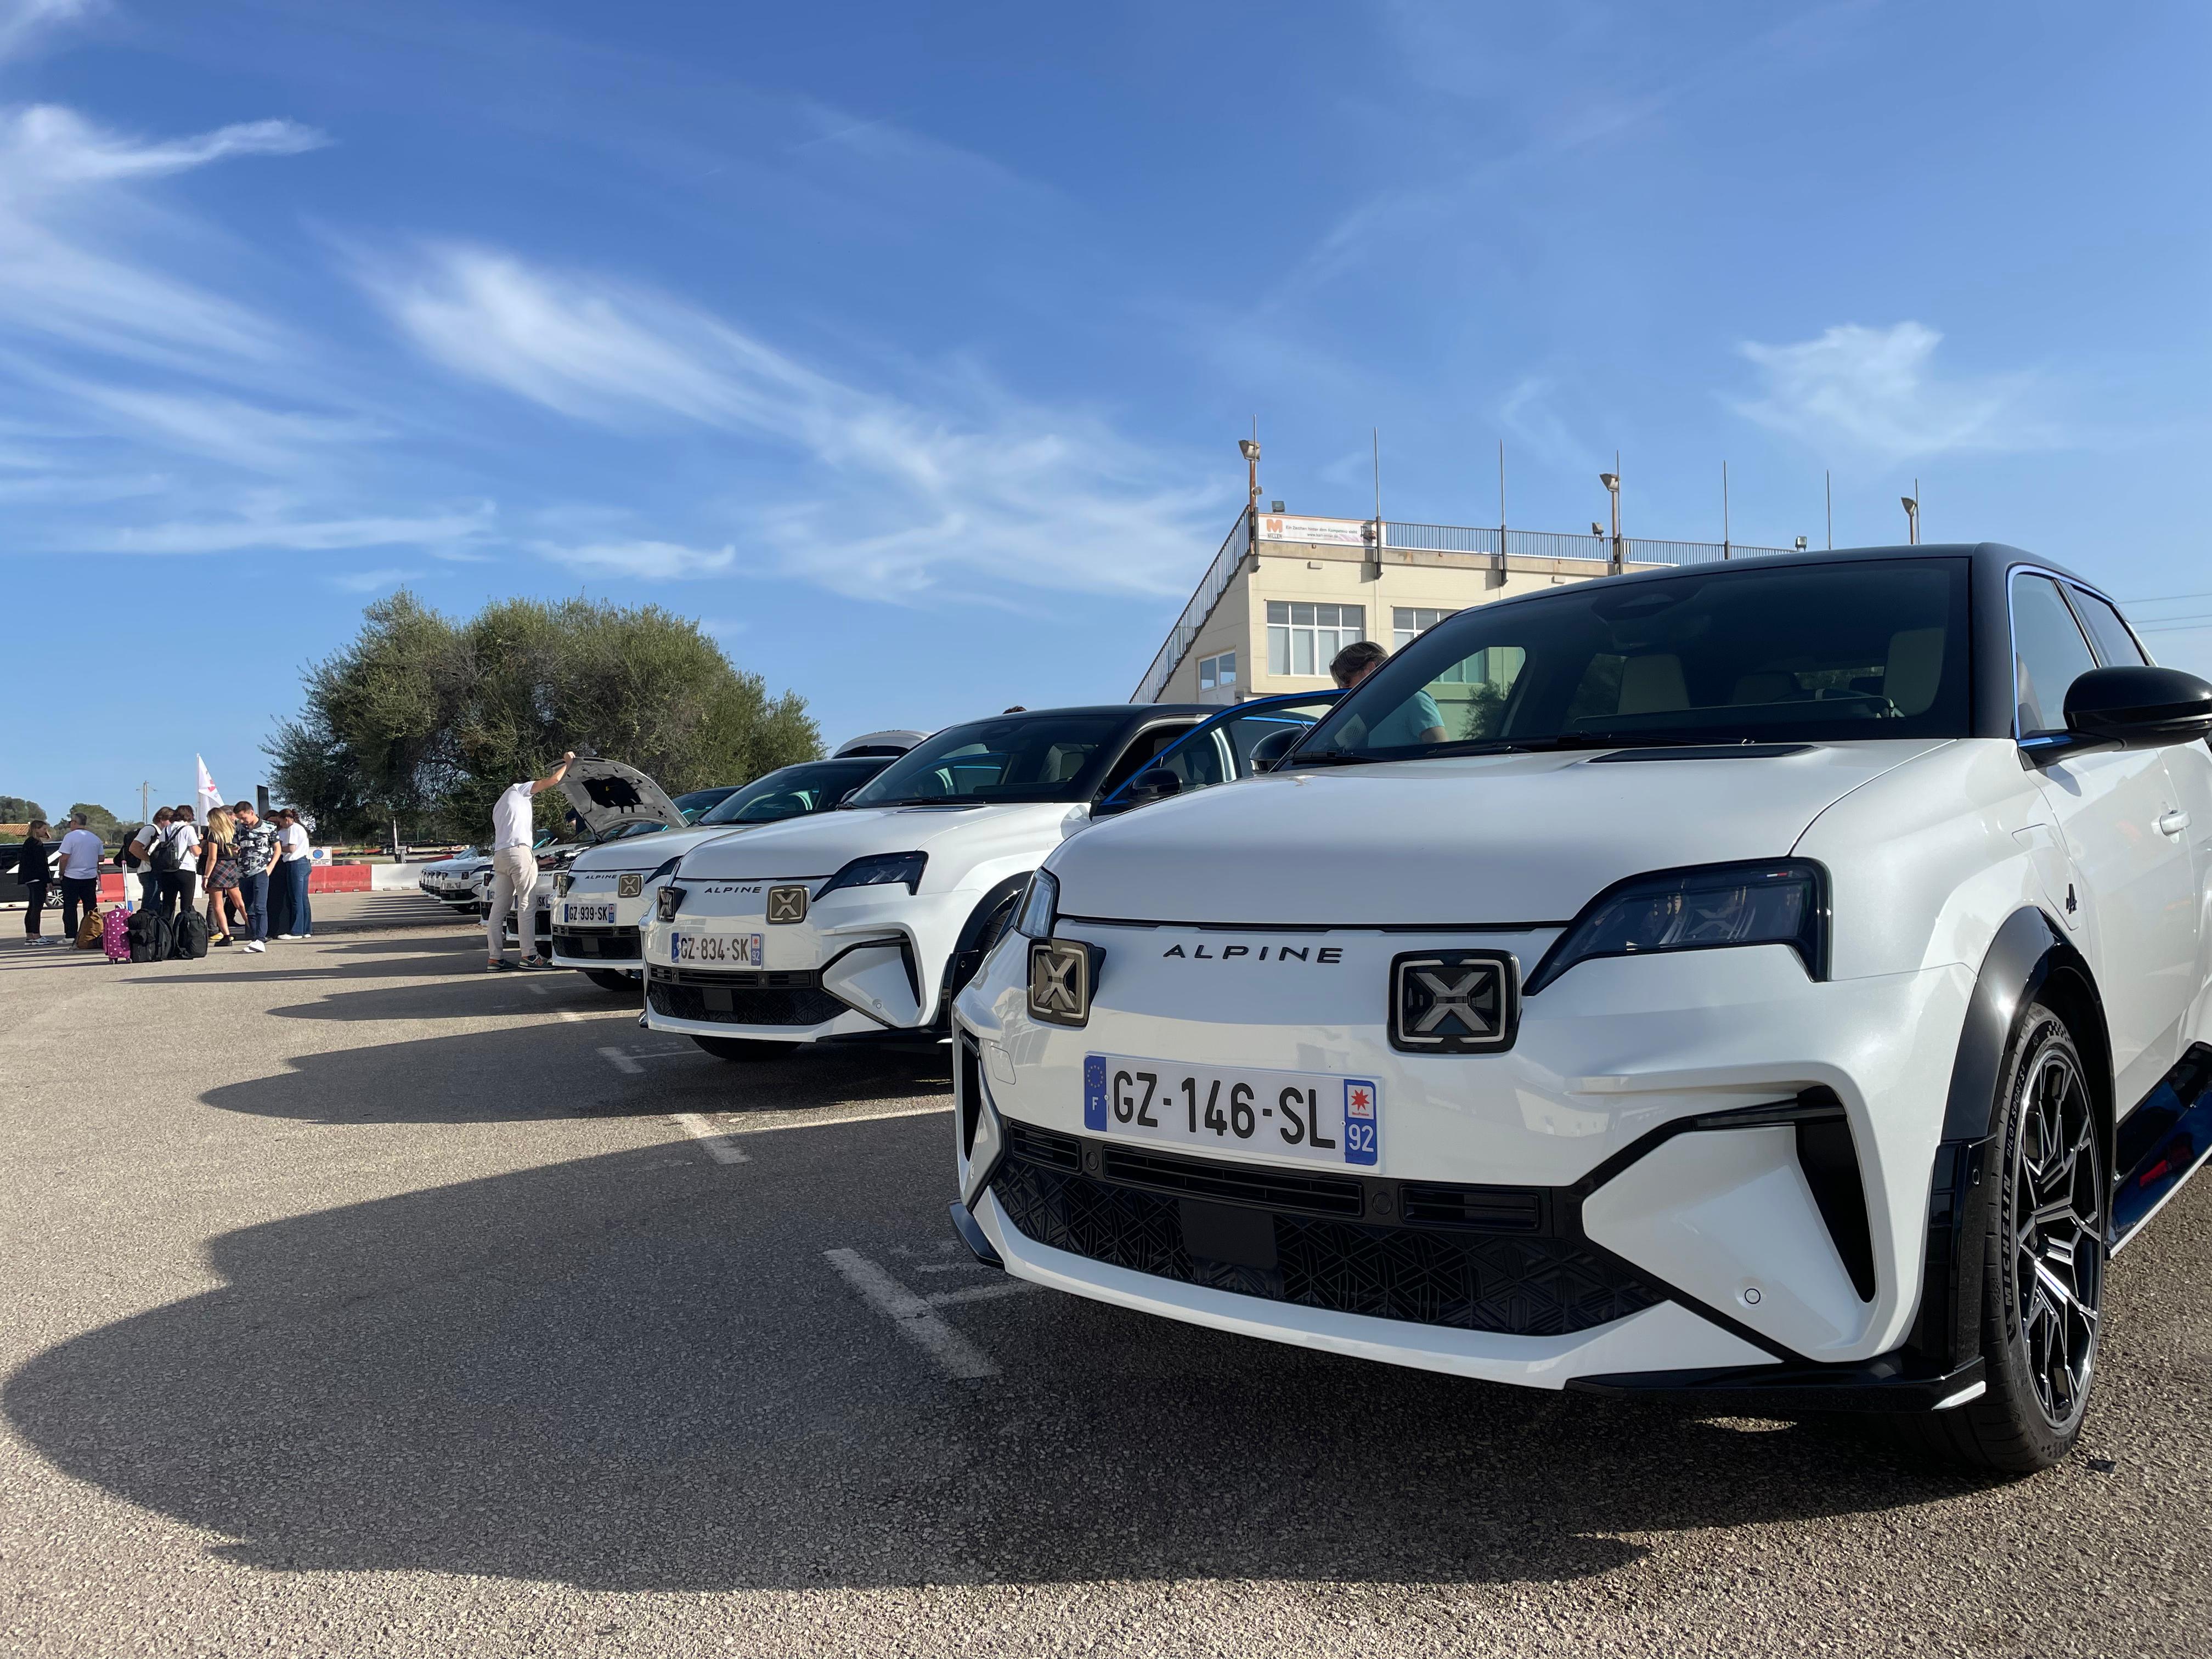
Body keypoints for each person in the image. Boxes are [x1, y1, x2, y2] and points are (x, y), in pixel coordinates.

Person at [486, 752, 573, 971]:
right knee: (526, 904)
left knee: (499, 909)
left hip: (501, 856)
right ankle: (530, 956)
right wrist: (569, 763)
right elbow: (553, 781)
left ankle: (495, 958)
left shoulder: (499, 805)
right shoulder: (520, 789)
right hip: (519, 853)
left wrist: (534, 861)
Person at [1330, 640, 1448, 746]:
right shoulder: (1364, 712)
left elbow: (1440, 752)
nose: (1343, 689)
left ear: (1370, 670)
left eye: (1347, 681)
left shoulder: (1414, 701)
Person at [230, 802, 276, 954]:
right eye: (240, 819)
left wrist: (270, 867)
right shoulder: (239, 828)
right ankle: (255, 938)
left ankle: (261, 938)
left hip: (261, 869)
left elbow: (278, 848)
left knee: (260, 905)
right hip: (243, 871)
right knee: (248, 906)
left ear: (251, 812)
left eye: (244, 818)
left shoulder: (269, 827)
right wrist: (235, 850)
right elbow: (236, 845)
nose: (242, 821)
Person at [54, 812, 105, 941]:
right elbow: (101, 858)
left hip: (72, 876)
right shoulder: (95, 838)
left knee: (70, 907)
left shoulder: (70, 837)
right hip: (89, 877)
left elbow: (64, 857)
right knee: (90, 906)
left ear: (74, 823)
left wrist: (61, 872)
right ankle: (91, 933)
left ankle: (71, 935)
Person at [200, 808, 244, 946]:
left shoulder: (214, 834)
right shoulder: (234, 831)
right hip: (232, 867)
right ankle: (254, 928)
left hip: (218, 868)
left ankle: (227, 935)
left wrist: (206, 876)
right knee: (239, 902)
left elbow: (212, 858)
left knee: (218, 904)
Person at [154, 804, 200, 926]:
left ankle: (166, 934)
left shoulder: (167, 829)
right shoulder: (188, 829)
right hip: (185, 870)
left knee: (168, 904)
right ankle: (184, 932)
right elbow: (196, 852)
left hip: (168, 871)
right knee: (186, 905)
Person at [273, 809, 313, 940]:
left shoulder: (293, 829)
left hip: (296, 863)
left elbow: (291, 848)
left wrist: (277, 848)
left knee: (296, 899)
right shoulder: (299, 828)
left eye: (281, 822)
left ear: (287, 819)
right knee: (302, 899)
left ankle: (297, 931)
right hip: (303, 863)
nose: (281, 825)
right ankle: (306, 929)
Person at [14, 820, 53, 945]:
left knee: (32, 907)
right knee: (37, 907)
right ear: (36, 829)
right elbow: (42, 865)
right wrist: (48, 881)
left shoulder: (28, 843)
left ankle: (30, 936)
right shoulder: (36, 844)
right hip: (37, 879)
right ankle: (37, 936)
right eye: (43, 829)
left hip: (29, 878)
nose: (45, 831)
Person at [127, 809, 172, 911]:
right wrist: (151, 861)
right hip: (148, 872)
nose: (172, 823)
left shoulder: (161, 832)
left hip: (154, 871)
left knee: (155, 903)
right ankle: (146, 924)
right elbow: (134, 848)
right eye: (170, 820)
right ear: (162, 820)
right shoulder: (150, 830)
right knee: (150, 903)